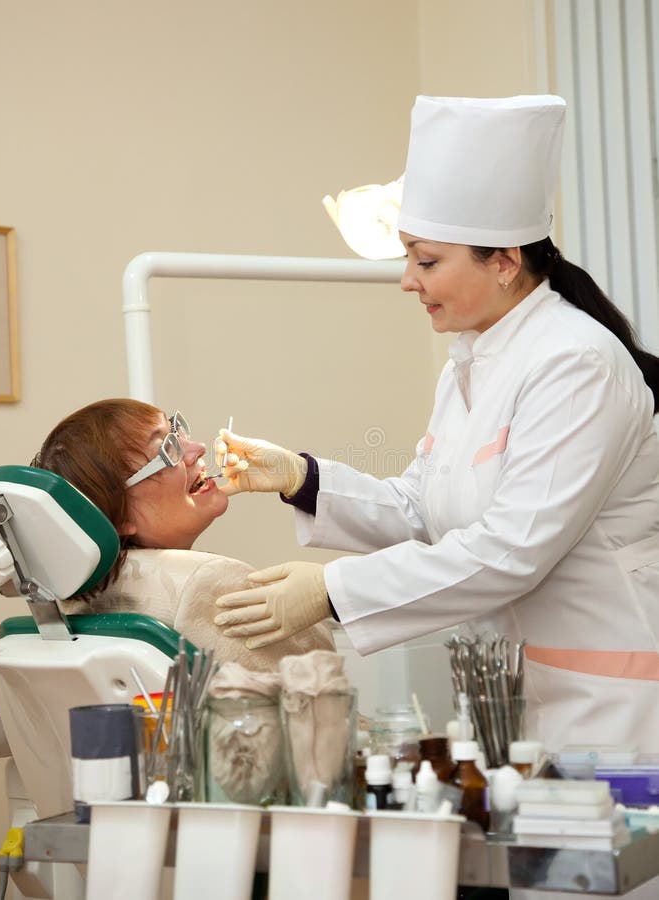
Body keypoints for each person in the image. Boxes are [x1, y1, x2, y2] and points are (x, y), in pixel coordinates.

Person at [212, 95, 659, 760]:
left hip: (611, 707)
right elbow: (425, 508)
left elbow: (512, 550)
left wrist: (332, 592)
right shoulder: (471, 363)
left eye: (426, 261)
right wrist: (302, 478)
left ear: (503, 261)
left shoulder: (577, 364)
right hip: (518, 700)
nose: (406, 282)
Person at [31, 398, 334, 669]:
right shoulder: (206, 582)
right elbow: (323, 692)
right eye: (166, 450)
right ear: (120, 516)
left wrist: (303, 479)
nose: (198, 448)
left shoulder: (68, 602)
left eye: (176, 433)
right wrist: (329, 595)